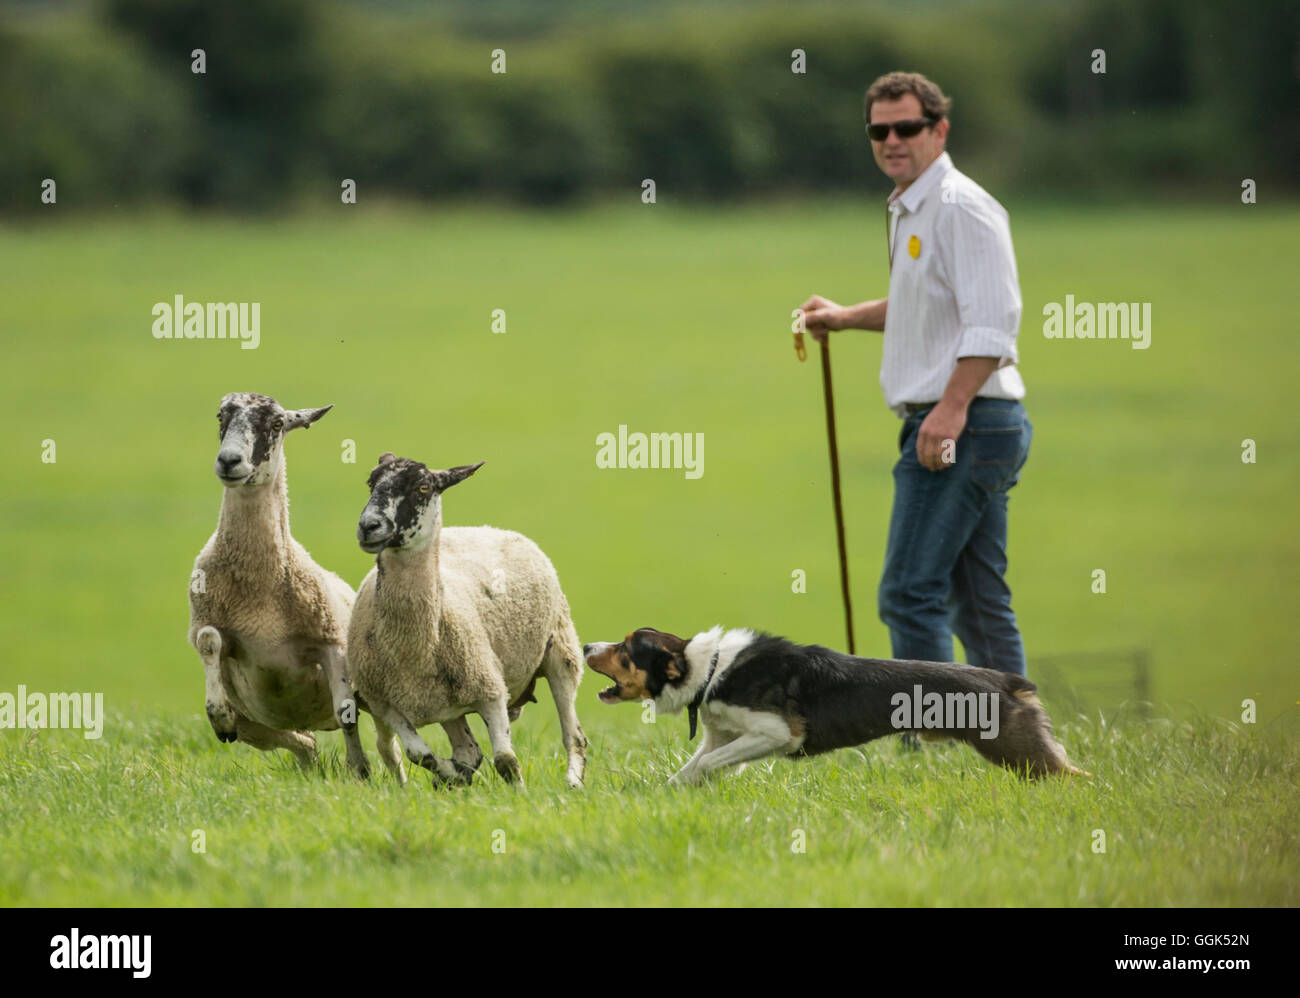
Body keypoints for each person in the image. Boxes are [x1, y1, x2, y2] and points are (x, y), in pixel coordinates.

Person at [799, 71, 1032, 677]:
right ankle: (1017, 742)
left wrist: (949, 411)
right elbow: (929, 307)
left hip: (966, 422)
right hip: (971, 422)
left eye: (907, 127)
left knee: (908, 592)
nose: (892, 140)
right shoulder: (914, 207)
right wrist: (845, 317)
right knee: (977, 602)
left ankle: (932, 740)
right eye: (880, 130)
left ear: (940, 129)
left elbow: (993, 324)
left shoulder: (960, 207)